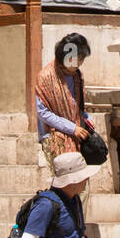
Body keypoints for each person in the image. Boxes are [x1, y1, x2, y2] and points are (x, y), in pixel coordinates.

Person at [35, 32, 95, 177]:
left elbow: (77, 107)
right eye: (79, 59)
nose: (81, 63)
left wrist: (87, 119)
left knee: (81, 185)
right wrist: (71, 128)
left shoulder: (77, 76)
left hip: (78, 138)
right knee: (65, 183)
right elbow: (43, 112)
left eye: (82, 59)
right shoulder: (46, 77)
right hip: (54, 138)